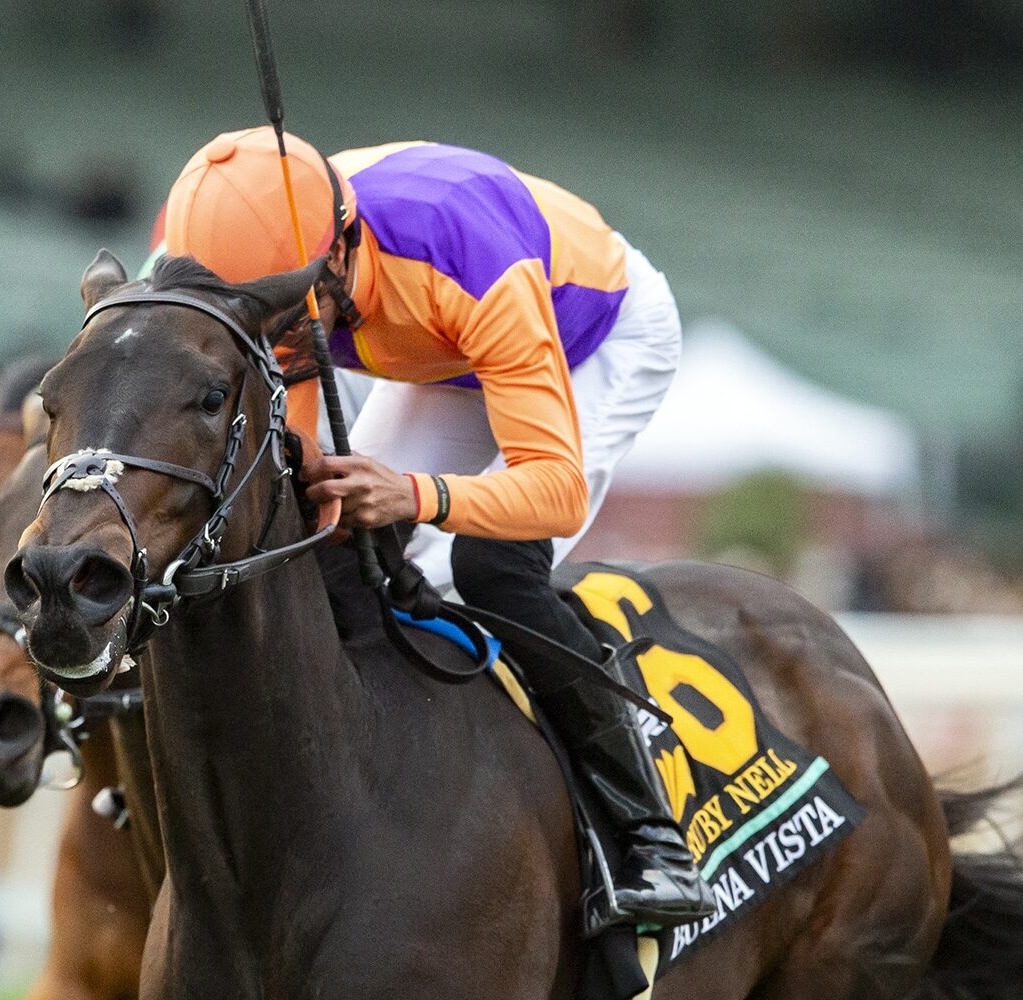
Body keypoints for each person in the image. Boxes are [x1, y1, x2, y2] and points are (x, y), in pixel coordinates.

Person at [162, 128, 710, 926]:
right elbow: (300, 462)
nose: (285, 329)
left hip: (588, 333)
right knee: (325, 543)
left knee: (492, 567)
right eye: (263, 316)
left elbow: (552, 491)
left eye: (297, 304)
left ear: (344, 243)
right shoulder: (275, 257)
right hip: (442, 353)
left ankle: (648, 834)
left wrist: (417, 495)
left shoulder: (463, 254)